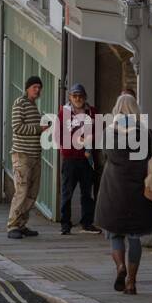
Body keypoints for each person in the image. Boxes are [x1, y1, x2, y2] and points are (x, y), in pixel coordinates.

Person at [95, 93, 152, 294]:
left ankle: (120, 267)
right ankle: (132, 282)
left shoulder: (109, 133)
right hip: (138, 192)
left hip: (113, 191)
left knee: (115, 233)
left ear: (116, 109)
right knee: (134, 237)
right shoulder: (145, 134)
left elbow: (102, 156)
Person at [55, 82, 101, 235]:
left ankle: (87, 223)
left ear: (85, 97)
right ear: (70, 97)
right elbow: (58, 135)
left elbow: (100, 133)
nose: (77, 98)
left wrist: (90, 138)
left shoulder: (93, 112)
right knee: (67, 192)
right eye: (74, 95)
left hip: (88, 159)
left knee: (87, 193)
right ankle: (65, 224)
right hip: (70, 159)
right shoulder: (64, 113)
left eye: (80, 96)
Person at [7, 76, 44, 240]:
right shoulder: (19, 103)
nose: (37, 90)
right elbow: (17, 127)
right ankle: (12, 225)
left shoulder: (33, 106)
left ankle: (22, 224)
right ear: (27, 88)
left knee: (32, 192)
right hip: (22, 155)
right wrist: (39, 128)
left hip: (35, 155)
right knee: (22, 191)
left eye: (39, 87)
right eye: (34, 87)